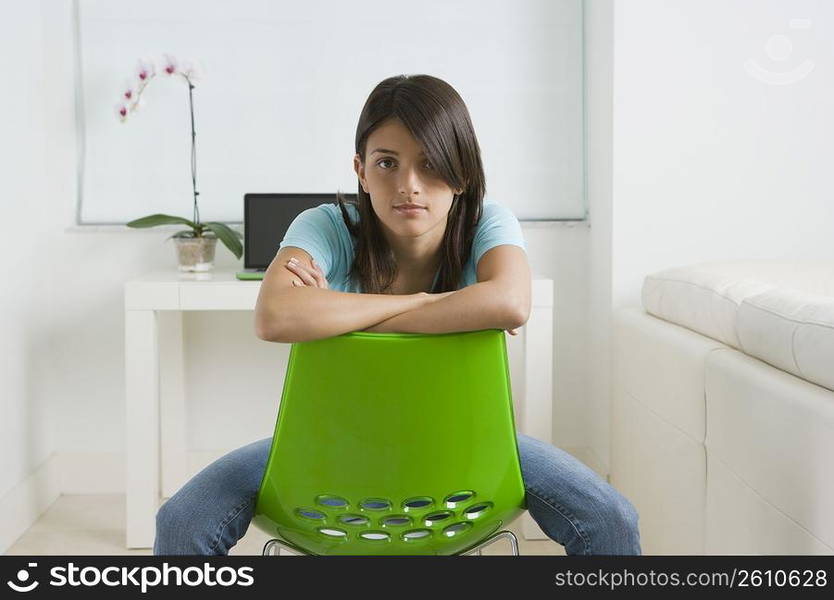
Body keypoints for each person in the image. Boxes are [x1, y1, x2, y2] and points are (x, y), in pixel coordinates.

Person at [154, 74, 641, 556]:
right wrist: (429, 304)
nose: (408, 185)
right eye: (387, 163)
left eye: (431, 164)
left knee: (609, 517)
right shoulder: (327, 225)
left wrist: (341, 312)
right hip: (330, 443)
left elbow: (510, 302)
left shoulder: (485, 224)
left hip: (470, 444)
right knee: (182, 521)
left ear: (463, 174)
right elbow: (275, 315)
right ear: (361, 171)